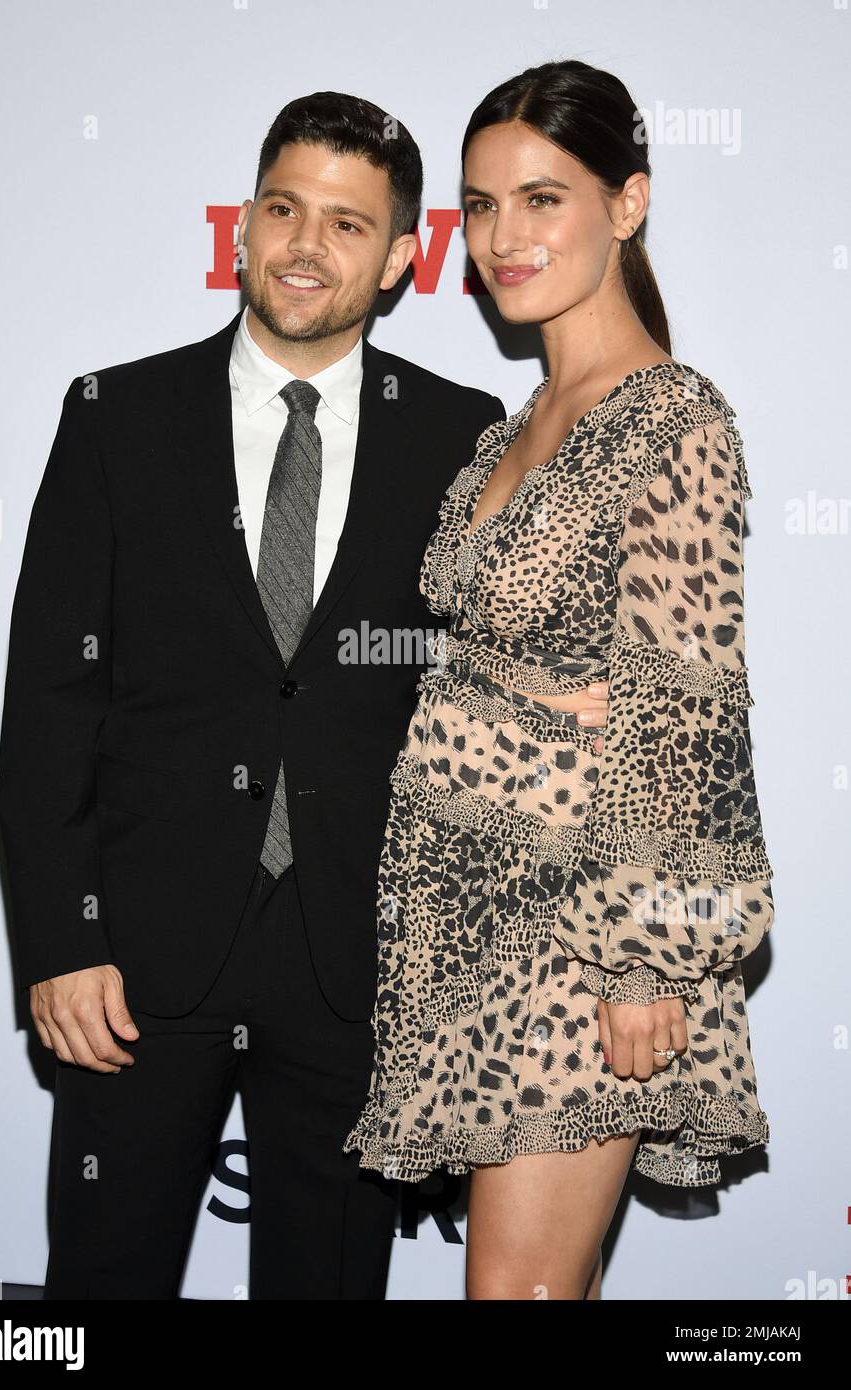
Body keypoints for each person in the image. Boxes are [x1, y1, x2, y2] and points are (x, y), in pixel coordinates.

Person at [0, 90, 611, 1300]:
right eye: (282, 208)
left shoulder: (463, 434)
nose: (302, 246)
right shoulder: (115, 418)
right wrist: (61, 941)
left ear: (398, 260)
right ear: (242, 225)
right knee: (101, 1284)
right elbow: (49, 702)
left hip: (359, 962)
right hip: (136, 963)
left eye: (345, 223)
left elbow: (477, 715)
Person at [343, 59, 775, 1301]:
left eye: (543, 198)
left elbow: (685, 715)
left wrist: (648, 960)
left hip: (583, 928)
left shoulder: (672, 417)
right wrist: (512, 706)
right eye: (480, 207)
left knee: (516, 1291)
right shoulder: (511, 426)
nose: (503, 238)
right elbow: (496, 664)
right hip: (462, 911)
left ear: (626, 205)